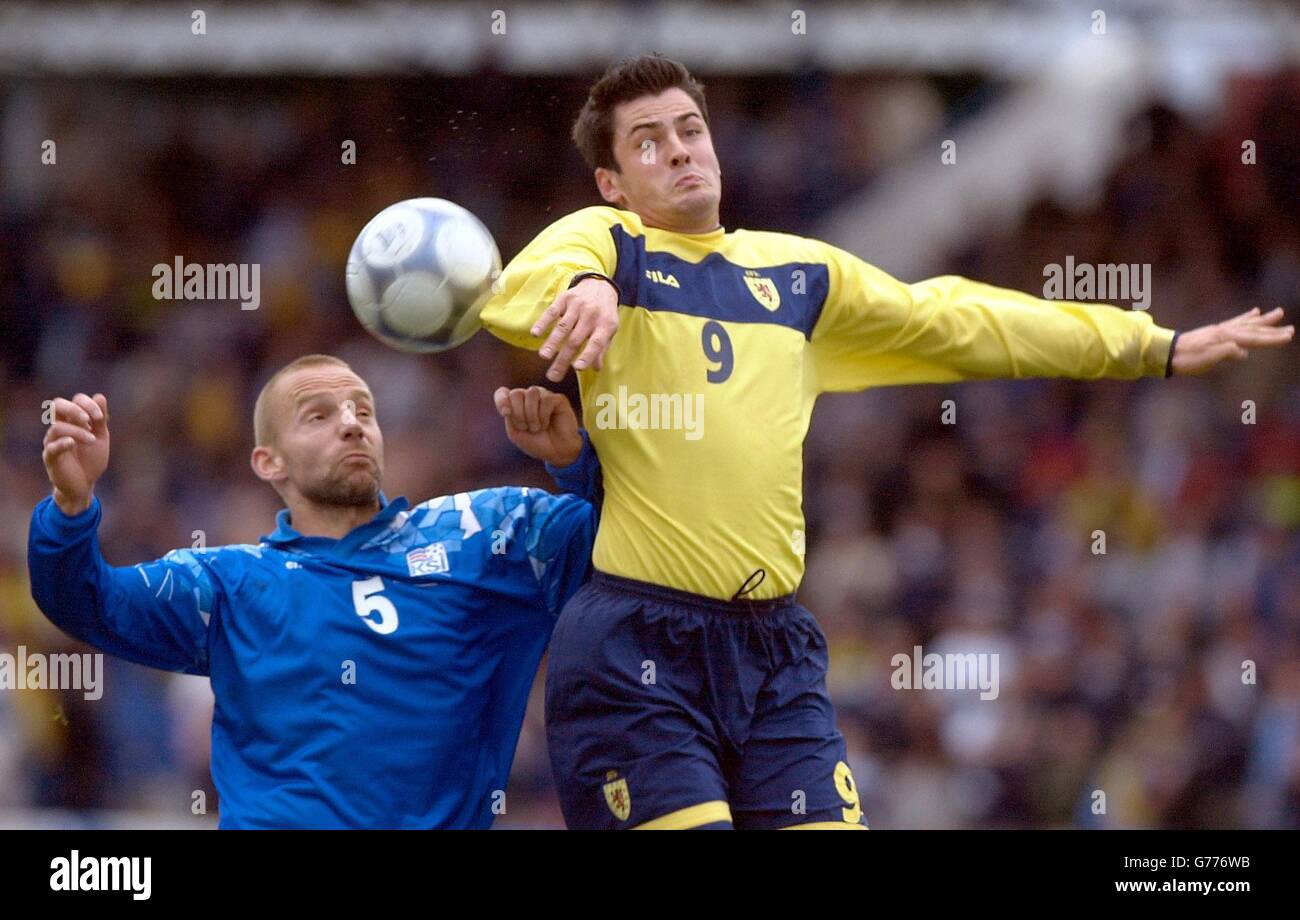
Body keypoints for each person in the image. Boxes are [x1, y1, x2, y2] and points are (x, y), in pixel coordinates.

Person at [479, 53, 1295, 830]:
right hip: (638, 648)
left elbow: (957, 320)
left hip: (772, 648)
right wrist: (586, 279)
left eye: (690, 128)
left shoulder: (800, 277)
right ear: (613, 184)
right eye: (647, 142)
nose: (680, 150)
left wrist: (1147, 344)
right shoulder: (611, 251)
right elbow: (513, 294)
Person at [27, 353, 599, 829]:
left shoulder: (483, 535)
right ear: (267, 461)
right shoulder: (227, 584)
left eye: (363, 412)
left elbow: (638, 543)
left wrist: (578, 463)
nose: (351, 424)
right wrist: (71, 509)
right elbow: (84, 602)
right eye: (318, 416)